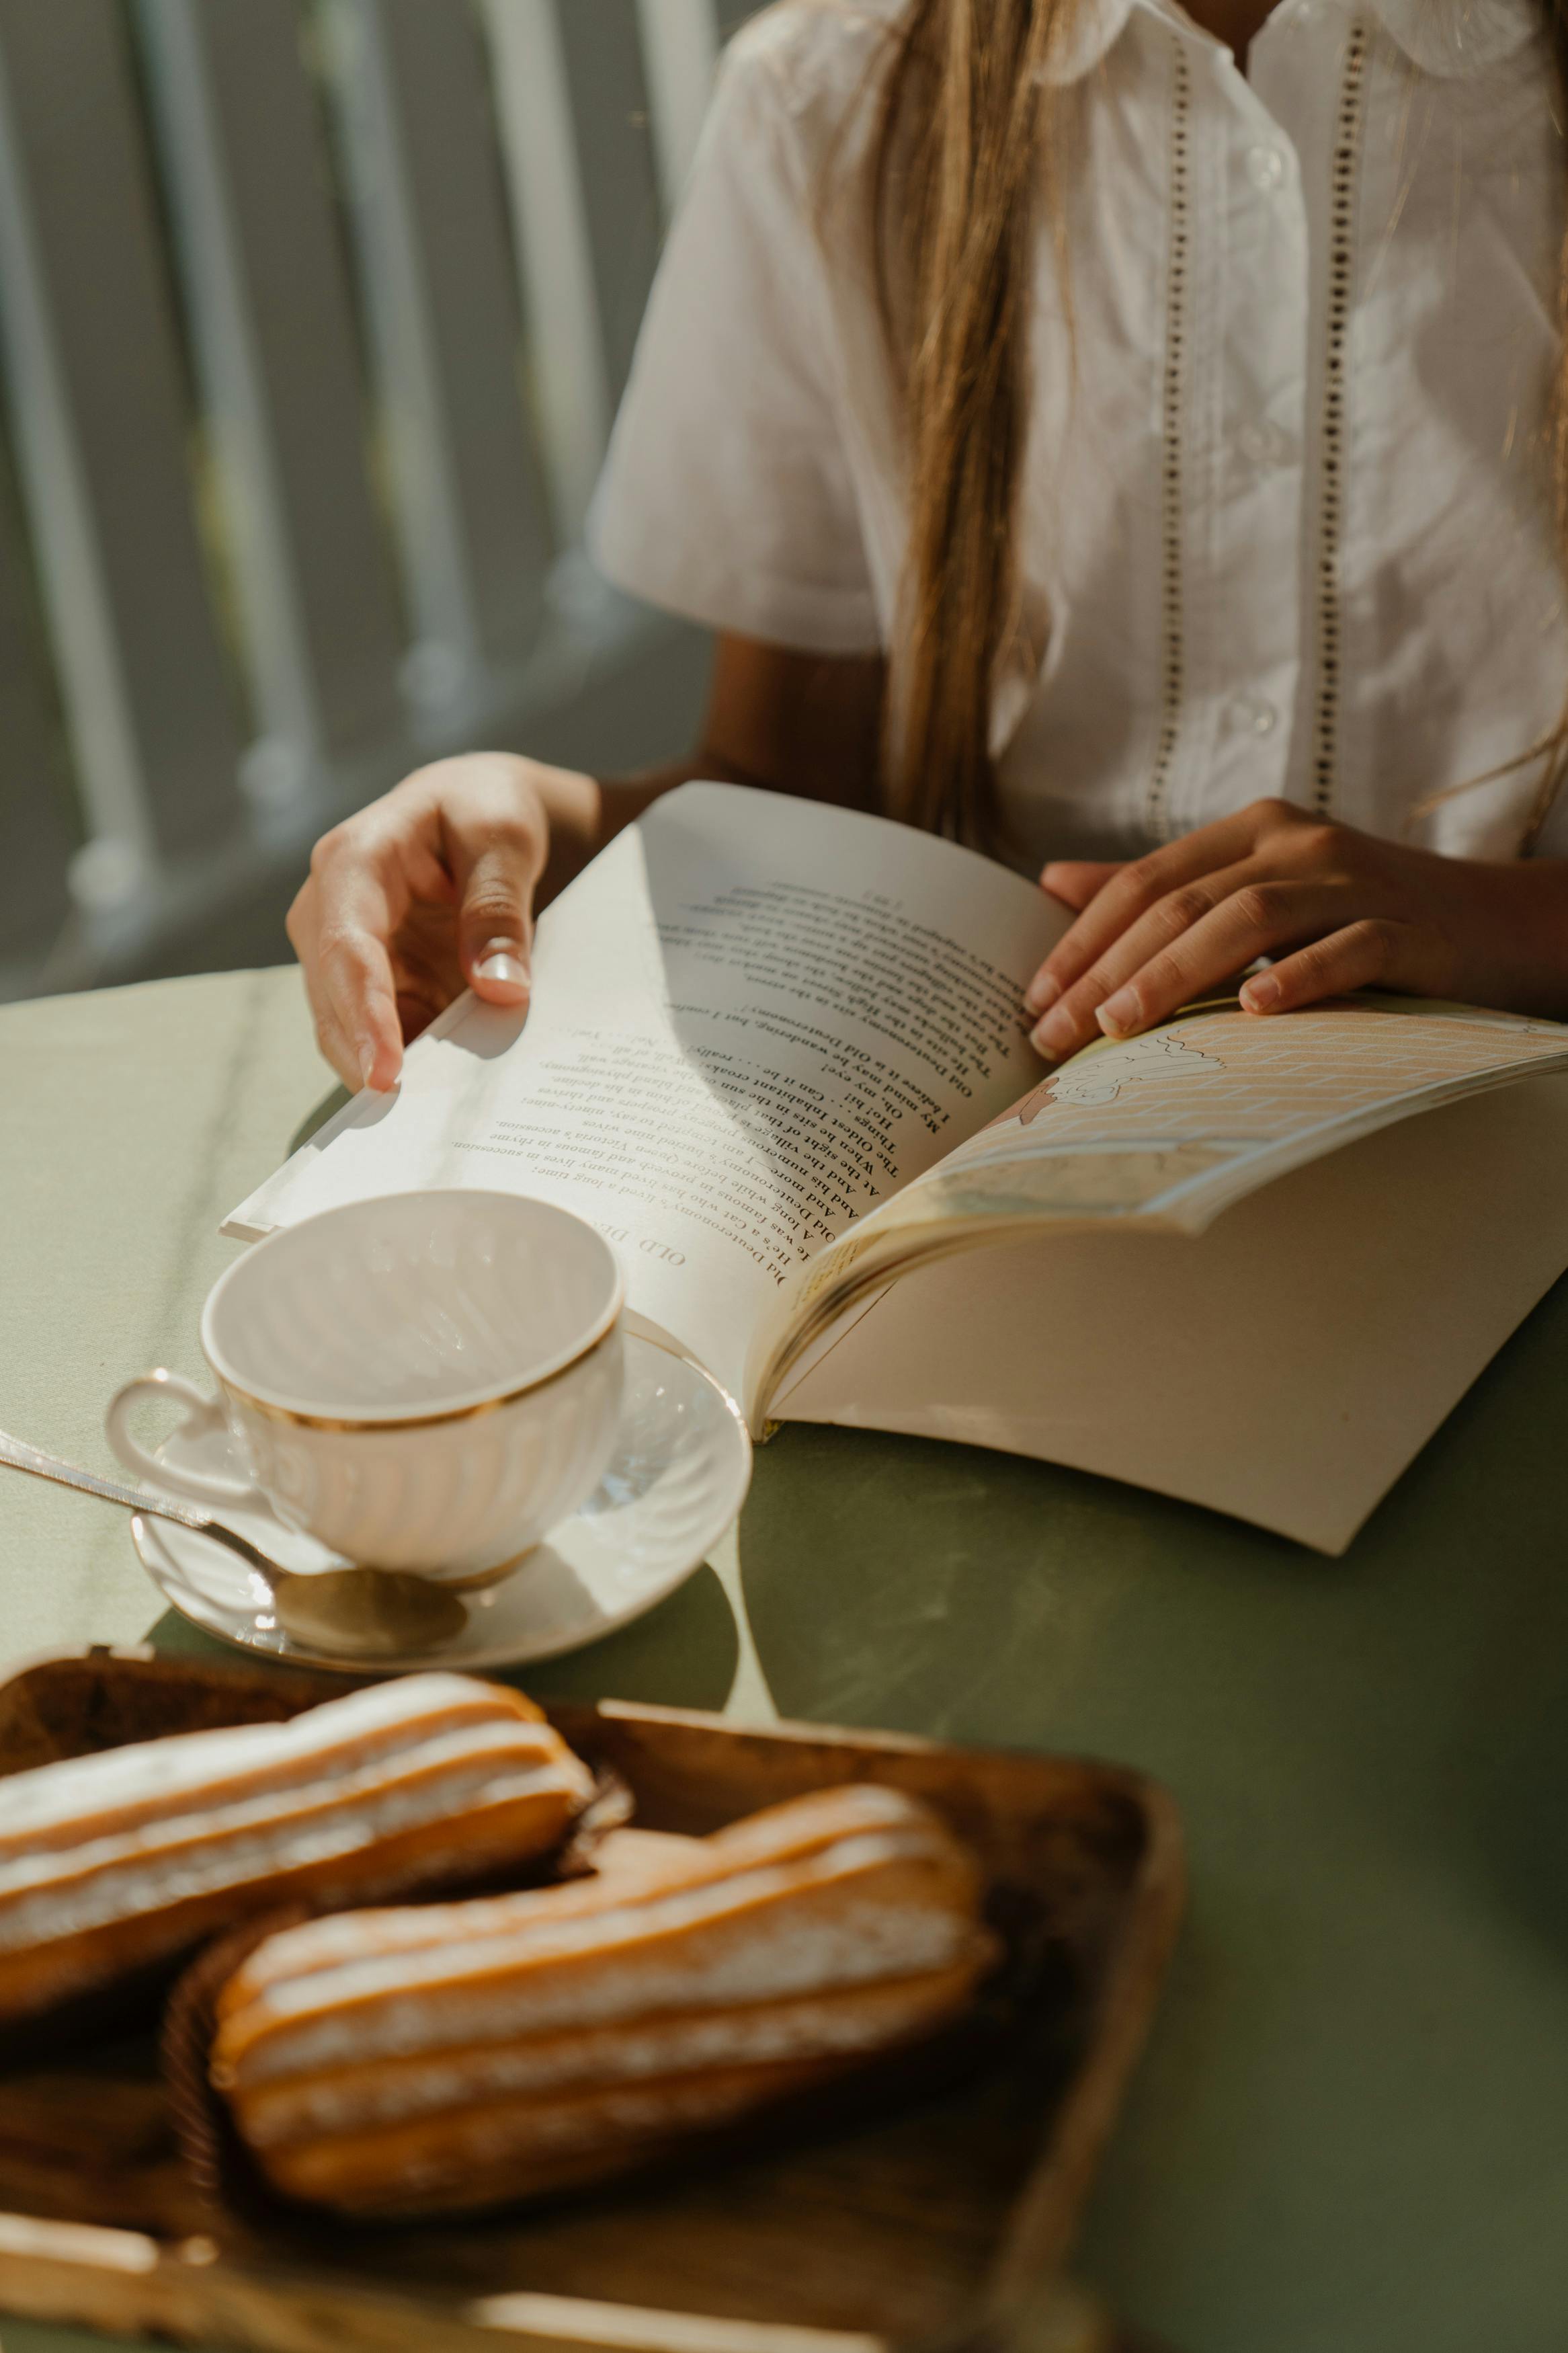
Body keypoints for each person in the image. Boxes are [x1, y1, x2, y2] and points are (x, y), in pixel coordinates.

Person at [287, 0, 1568, 1097]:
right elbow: (787, 794)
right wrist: (524, 821)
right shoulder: (834, 103)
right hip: (1027, 1146)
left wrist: (1484, 920)